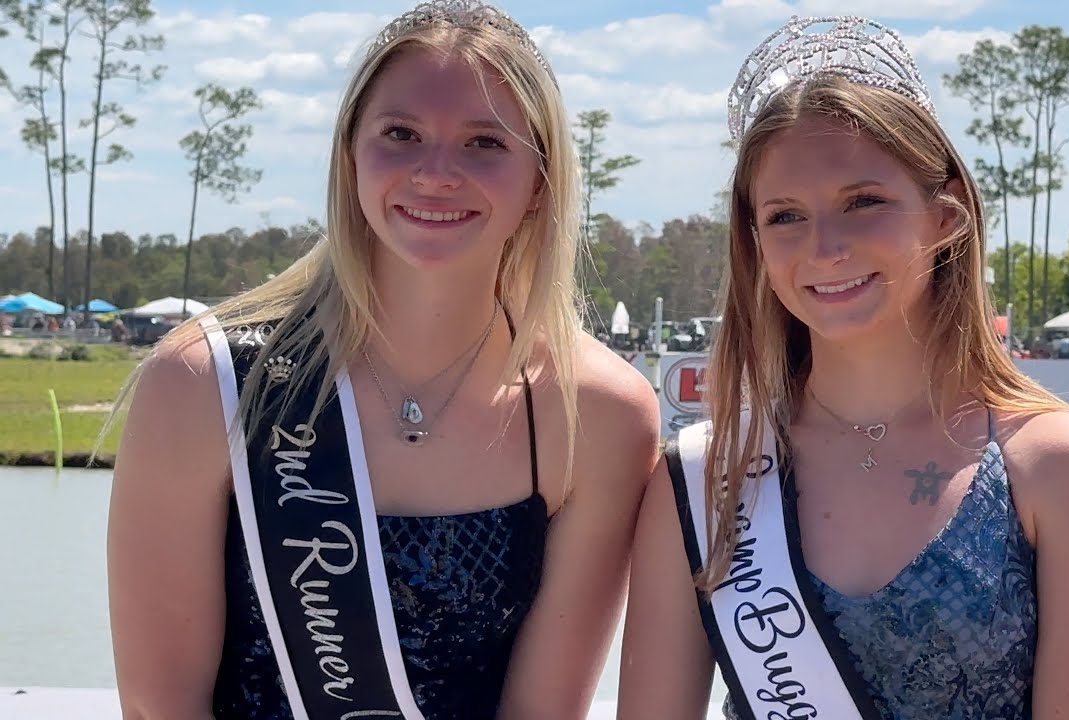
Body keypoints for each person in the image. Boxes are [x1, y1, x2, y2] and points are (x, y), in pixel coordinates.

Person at [103, 2, 659, 718]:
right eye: (401, 134)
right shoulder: (203, 382)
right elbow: (160, 706)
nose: (436, 173)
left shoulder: (601, 415)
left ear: (540, 184)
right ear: (350, 155)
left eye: (484, 144)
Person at [617, 15, 1069, 720]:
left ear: (947, 214)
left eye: (863, 203)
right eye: (785, 216)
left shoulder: (1062, 470)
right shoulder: (706, 478)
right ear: (755, 244)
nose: (825, 246)